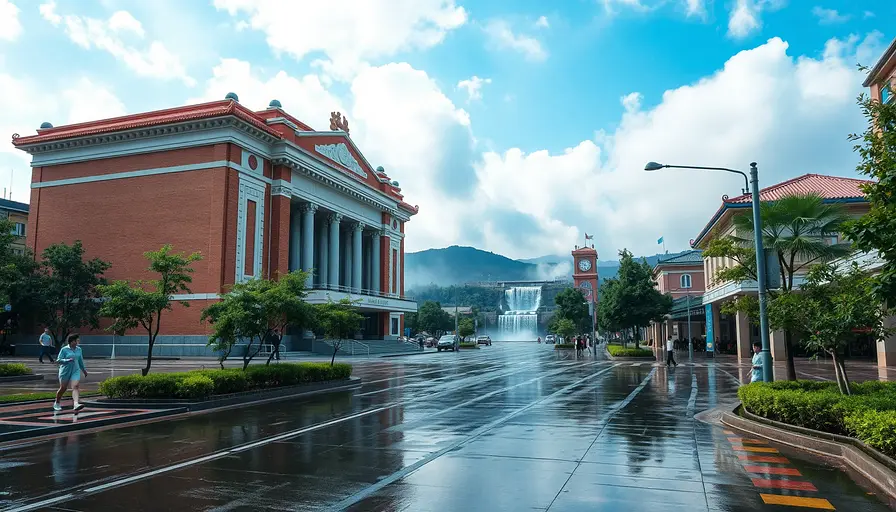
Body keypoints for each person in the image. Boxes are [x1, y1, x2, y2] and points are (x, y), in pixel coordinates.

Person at [54, 334, 87, 412]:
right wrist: (67, 360)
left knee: (75, 386)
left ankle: (76, 404)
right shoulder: (64, 349)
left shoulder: (79, 349)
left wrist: (84, 370)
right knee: (63, 388)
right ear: (72, 341)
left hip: (75, 370)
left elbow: (80, 361)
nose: (78, 342)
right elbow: (58, 360)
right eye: (77, 340)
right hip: (65, 371)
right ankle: (57, 402)